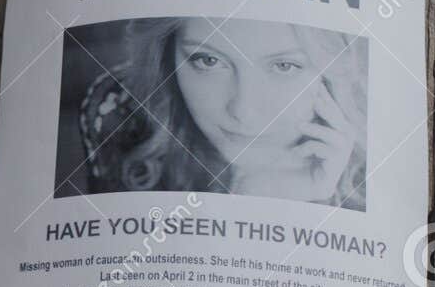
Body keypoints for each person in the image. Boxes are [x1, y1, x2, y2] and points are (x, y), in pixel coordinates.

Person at [78, 16, 367, 209]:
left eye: (284, 66)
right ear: (166, 54)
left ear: (332, 68)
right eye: (208, 60)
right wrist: (246, 199)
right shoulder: (121, 112)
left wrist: (281, 203)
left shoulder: (382, 169)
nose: (243, 111)